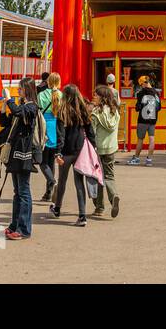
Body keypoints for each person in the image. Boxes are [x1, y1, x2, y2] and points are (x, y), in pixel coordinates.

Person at [50, 83, 96, 226]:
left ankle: (57, 209)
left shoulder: (62, 112)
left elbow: (60, 136)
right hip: (80, 151)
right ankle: (82, 216)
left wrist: (58, 152)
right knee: (79, 182)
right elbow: (90, 132)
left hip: (66, 153)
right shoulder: (83, 112)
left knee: (62, 181)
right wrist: (93, 148)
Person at [0, 78, 40, 240]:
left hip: (24, 154)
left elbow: (17, 112)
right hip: (15, 153)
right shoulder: (22, 106)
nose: (19, 90)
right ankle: (14, 224)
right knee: (17, 192)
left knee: (23, 191)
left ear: (28, 89)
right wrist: (4, 105)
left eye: (21, 88)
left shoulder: (32, 107)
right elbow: (4, 122)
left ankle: (24, 229)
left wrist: (9, 100)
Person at [91, 84, 121, 218]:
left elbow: (92, 132)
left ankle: (99, 207)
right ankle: (114, 195)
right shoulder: (115, 111)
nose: (94, 97)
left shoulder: (96, 113)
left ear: (102, 98)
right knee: (109, 175)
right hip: (111, 148)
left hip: (98, 148)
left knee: (98, 177)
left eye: (96, 95)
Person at [35, 73, 61, 201]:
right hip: (57, 128)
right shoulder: (61, 95)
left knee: (42, 162)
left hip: (45, 128)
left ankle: (52, 182)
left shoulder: (41, 95)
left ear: (48, 82)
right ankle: (48, 192)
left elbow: (38, 112)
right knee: (51, 163)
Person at [128, 76, 161, 166]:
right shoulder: (157, 93)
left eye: (141, 84)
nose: (141, 86)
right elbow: (159, 108)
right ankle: (149, 159)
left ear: (143, 83)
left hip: (142, 120)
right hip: (153, 120)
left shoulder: (140, 93)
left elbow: (137, 108)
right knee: (152, 139)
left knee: (140, 139)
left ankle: (137, 158)